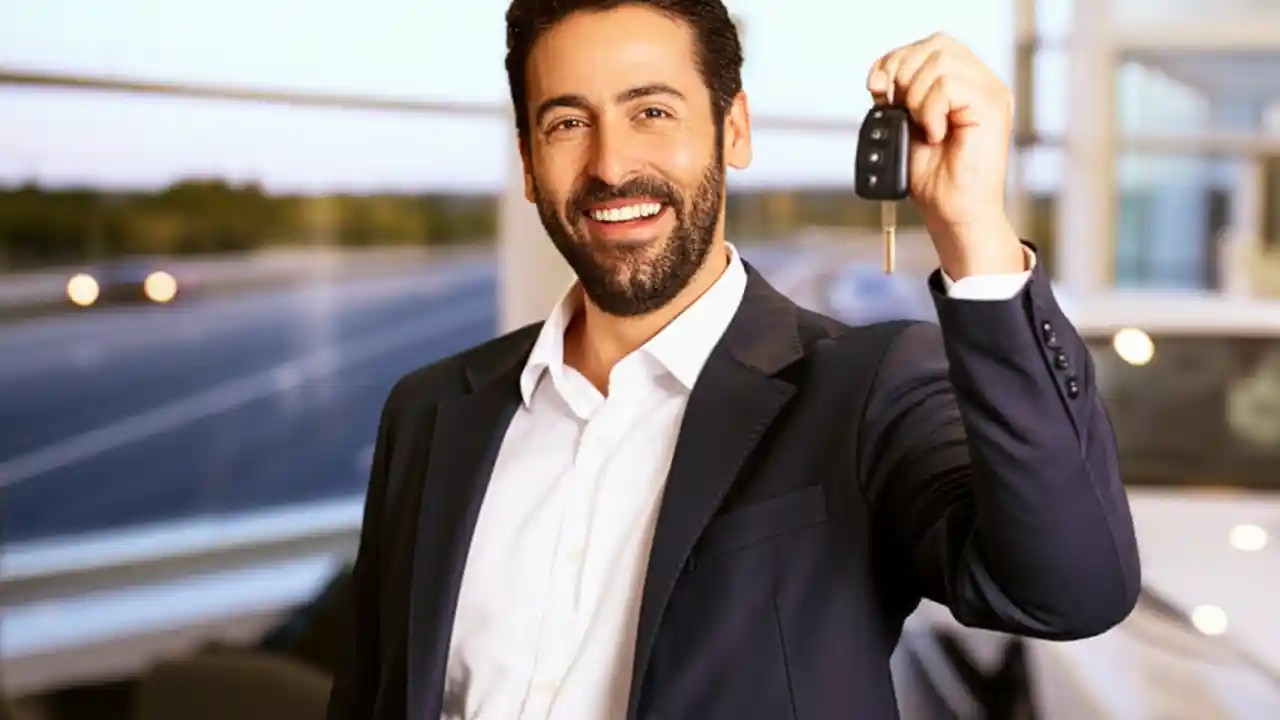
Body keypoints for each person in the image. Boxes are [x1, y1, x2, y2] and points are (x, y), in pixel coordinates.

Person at [326, 2, 1142, 718]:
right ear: (530, 164)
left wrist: (974, 233)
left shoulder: (862, 388)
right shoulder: (430, 412)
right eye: (568, 122)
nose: (611, 166)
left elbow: (1069, 587)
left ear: (735, 128)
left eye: (651, 112)